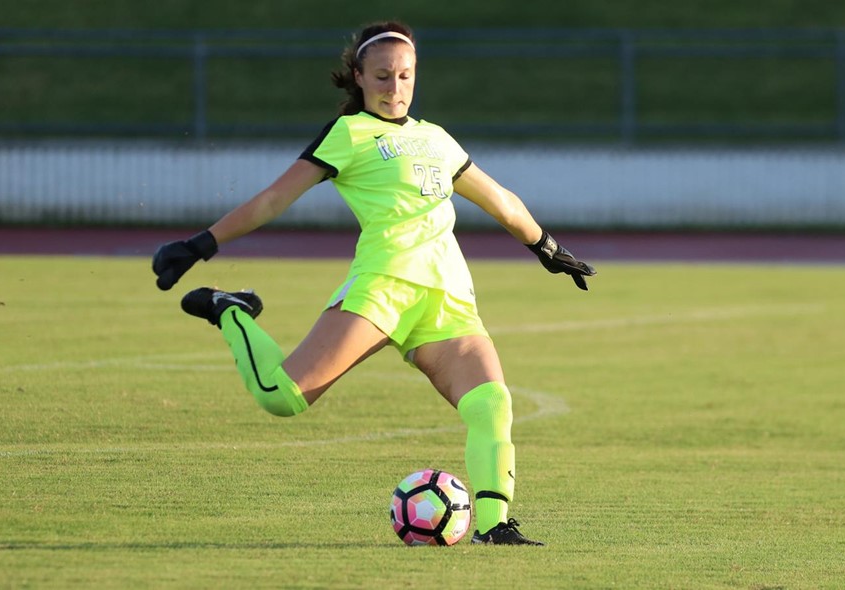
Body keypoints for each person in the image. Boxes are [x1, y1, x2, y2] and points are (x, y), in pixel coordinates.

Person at [151, 21, 595, 546]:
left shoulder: (435, 138)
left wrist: (546, 247)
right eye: (382, 76)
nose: (395, 86)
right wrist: (202, 244)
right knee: (280, 396)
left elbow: (500, 199)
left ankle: (496, 527)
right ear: (358, 77)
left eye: (405, 75)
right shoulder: (348, 135)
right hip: (382, 288)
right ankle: (231, 309)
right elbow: (272, 200)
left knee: (492, 404)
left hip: (448, 299)